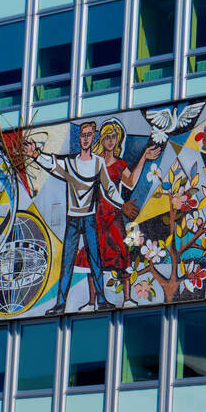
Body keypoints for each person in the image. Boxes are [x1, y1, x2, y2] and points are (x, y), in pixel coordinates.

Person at [27, 121, 139, 313]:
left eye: (89, 135)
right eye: (83, 135)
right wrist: (36, 154)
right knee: (67, 263)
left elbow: (109, 189)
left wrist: (123, 205)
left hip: (89, 218)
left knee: (95, 260)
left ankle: (102, 300)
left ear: (93, 137)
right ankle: (60, 304)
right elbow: (52, 162)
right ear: (80, 138)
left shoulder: (98, 163)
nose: (86, 138)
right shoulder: (70, 163)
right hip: (73, 219)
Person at [87, 120, 160, 307]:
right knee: (93, 257)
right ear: (101, 139)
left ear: (117, 140)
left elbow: (131, 182)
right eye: (107, 137)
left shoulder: (120, 164)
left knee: (121, 254)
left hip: (114, 216)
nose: (110, 141)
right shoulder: (94, 163)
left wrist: (143, 157)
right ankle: (92, 300)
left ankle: (126, 299)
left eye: (113, 137)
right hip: (96, 215)